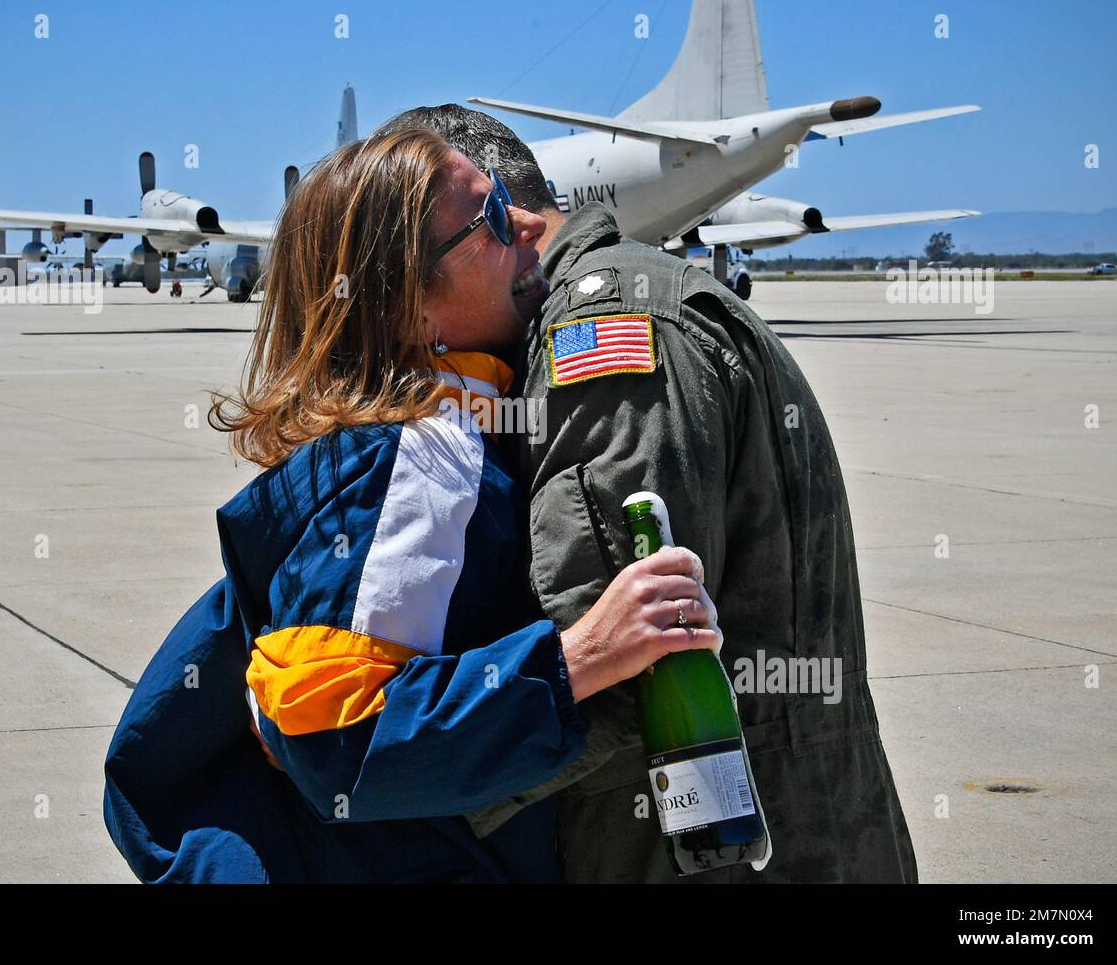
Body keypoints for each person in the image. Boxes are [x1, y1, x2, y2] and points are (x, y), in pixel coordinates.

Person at [102, 126, 723, 883]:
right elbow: (339, 736)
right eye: (492, 221)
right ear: (412, 308)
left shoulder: (454, 423)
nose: (531, 224)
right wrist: (581, 658)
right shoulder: (421, 452)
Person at [377, 105, 919, 884]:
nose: (416, 331)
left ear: (503, 222)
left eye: (413, 284)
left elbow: (626, 668)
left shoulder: (601, 333)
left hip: (697, 853)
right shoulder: (646, 296)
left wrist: (399, 795)